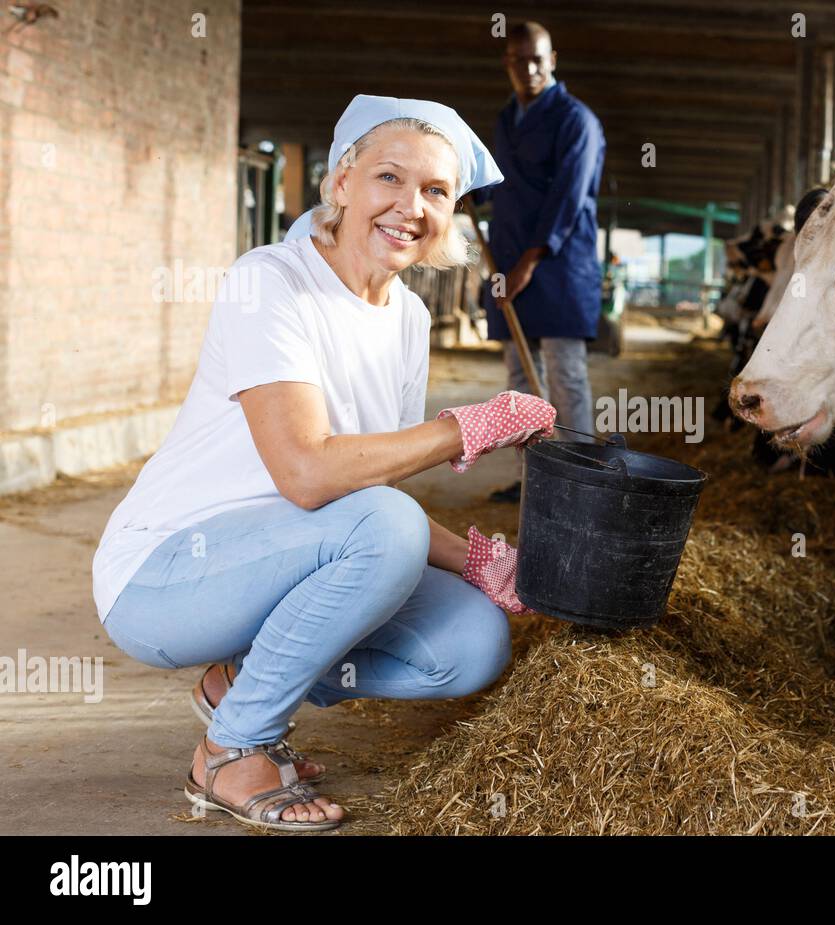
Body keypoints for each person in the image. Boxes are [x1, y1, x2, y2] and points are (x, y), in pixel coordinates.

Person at [91, 94, 557, 832]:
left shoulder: (406, 317)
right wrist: (461, 428)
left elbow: (369, 497)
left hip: (282, 562)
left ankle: (240, 685)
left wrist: (478, 561)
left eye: (436, 191)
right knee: (385, 524)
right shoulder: (270, 281)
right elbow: (309, 474)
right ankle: (231, 749)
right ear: (341, 183)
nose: (411, 206)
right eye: (389, 178)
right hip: (167, 576)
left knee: (472, 642)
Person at [477, 20, 606, 503]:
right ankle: (534, 481)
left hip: (558, 264)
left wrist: (530, 262)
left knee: (564, 371)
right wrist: (464, 190)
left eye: (538, 59)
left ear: (553, 60)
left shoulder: (577, 120)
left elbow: (568, 199)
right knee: (519, 372)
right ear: (507, 64)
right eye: (518, 60)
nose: (529, 68)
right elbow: (497, 180)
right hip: (509, 257)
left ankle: (579, 482)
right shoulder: (506, 119)